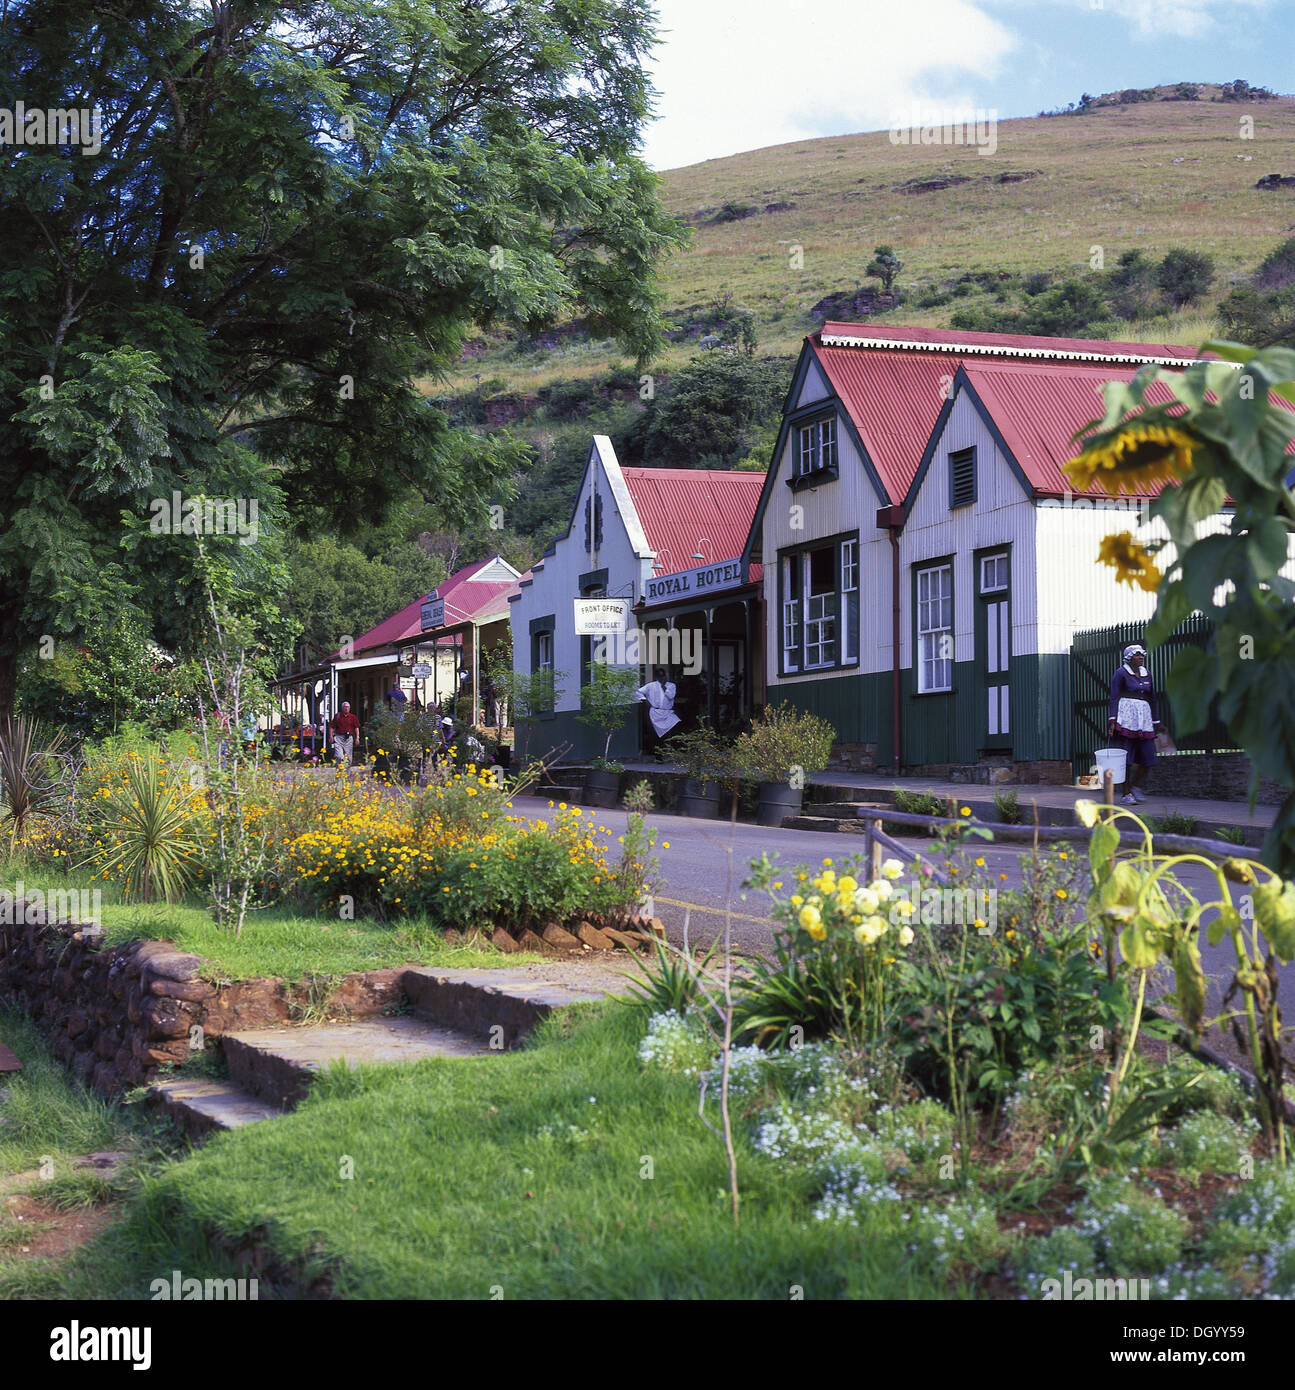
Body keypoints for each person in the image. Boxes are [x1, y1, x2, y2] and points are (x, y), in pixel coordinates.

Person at [1108, 643, 1164, 805]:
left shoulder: (1147, 674)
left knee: (1149, 758)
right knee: (1127, 758)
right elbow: (1114, 697)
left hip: (1144, 719)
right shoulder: (1121, 673)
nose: (1141, 658)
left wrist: (1157, 721)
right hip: (1127, 718)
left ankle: (1136, 786)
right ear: (1129, 657)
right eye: (1137, 655)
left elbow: (1152, 698)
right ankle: (1126, 794)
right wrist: (1113, 720)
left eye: (1142, 655)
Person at [635, 667, 680, 752]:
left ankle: (672, 751)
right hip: (655, 712)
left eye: (663, 676)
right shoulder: (651, 685)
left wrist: (664, 688)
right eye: (660, 677)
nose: (662, 678)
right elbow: (638, 692)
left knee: (673, 729)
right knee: (655, 734)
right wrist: (645, 700)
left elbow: (671, 696)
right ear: (656, 677)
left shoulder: (671, 685)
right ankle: (658, 755)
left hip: (668, 712)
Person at [331, 701, 360, 770]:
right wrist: (331, 736)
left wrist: (357, 738)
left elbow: (356, 728)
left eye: (348, 707)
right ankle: (339, 771)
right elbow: (332, 727)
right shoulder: (337, 716)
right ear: (342, 708)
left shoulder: (353, 717)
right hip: (338, 737)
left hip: (348, 739)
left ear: (349, 708)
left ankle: (347, 774)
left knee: (348, 758)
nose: (346, 708)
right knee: (339, 756)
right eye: (345, 707)